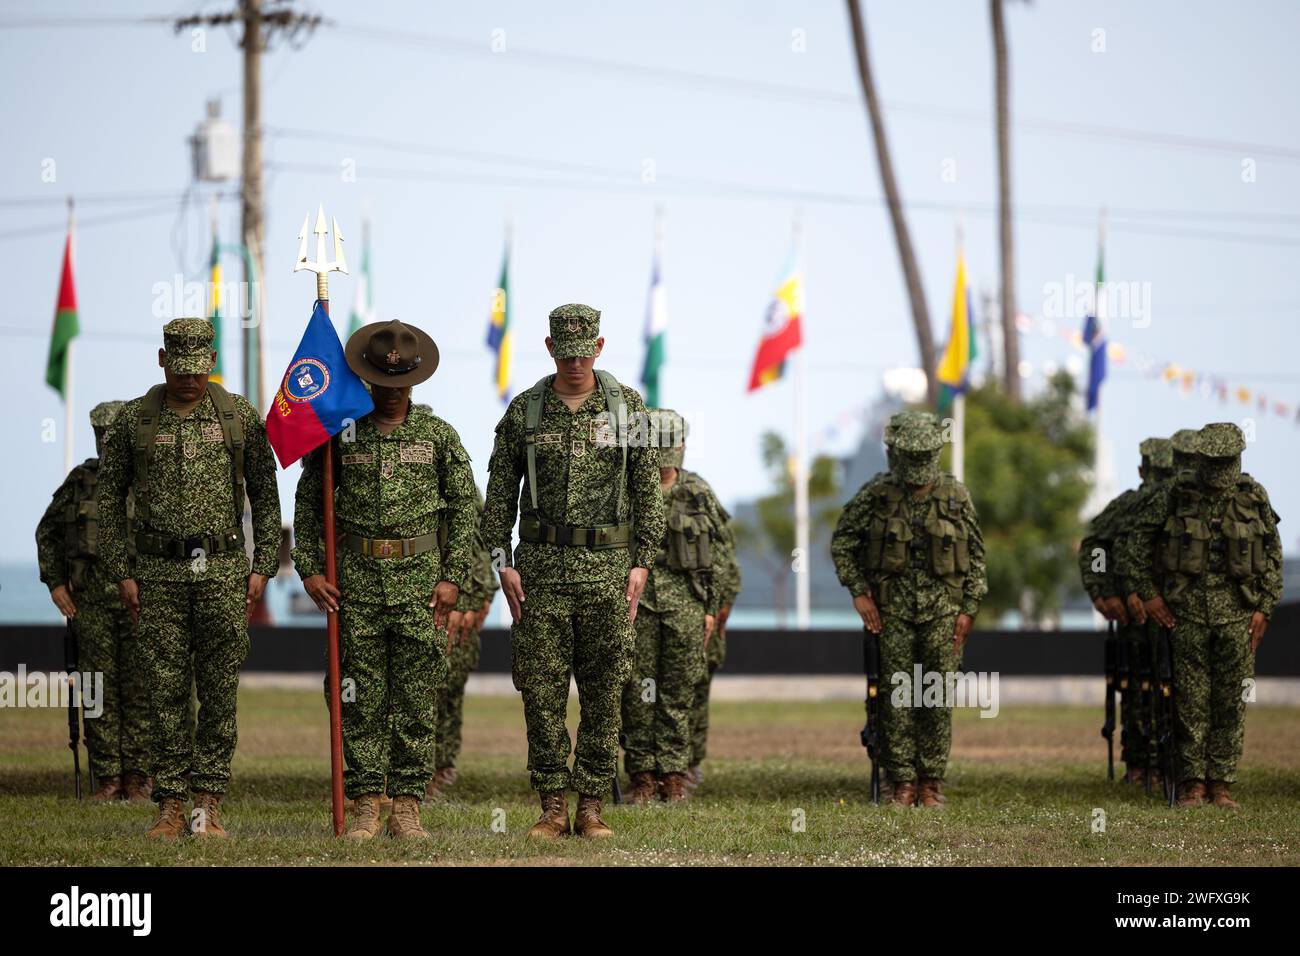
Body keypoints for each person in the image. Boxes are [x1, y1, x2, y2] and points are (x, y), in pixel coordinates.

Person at [482, 303, 664, 838]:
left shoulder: (626, 407)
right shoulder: (525, 411)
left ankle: (591, 806)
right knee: (540, 691)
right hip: (540, 571)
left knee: (605, 691)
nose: (576, 364)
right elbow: (498, 500)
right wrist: (502, 564)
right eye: (566, 355)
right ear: (549, 350)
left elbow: (646, 493)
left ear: (600, 348)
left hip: (609, 570)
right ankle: (551, 806)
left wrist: (642, 562)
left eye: (584, 353)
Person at [293, 319, 477, 840]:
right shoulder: (340, 431)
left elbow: (464, 507)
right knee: (358, 695)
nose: (391, 395)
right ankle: (367, 801)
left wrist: (453, 576)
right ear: (367, 378)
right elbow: (309, 504)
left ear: (415, 381)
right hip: (355, 582)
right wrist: (308, 567)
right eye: (382, 384)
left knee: (418, 695)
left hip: (421, 584)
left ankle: (407, 803)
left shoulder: (438, 436)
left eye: (400, 386)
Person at [97, 318, 280, 839]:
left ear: (211, 362)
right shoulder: (135, 419)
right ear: (162, 360)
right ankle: (171, 804)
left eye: (199, 371)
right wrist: (122, 571)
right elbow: (109, 504)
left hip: (222, 571)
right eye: (180, 370)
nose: (190, 381)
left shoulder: (237, 416)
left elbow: (266, 497)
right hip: (157, 573)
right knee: (166, 689)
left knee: (220, 690)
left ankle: (208, 802)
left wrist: (263, 564)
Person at [830, 410, 987, 808]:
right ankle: (900, 781)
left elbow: (977, 558)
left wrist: (969, 607)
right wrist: (859, 593)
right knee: (897, 696)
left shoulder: (955, 495)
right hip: (892, 613)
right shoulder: (877, 494)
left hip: (942, 613)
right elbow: (843, 543)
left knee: (935, 696)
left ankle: (930, 782)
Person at [1122, 423, 1282, 808]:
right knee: (1190, 703)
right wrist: (1149, 595)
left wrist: (1264, 607)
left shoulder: (1253, 496)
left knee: (1231, 702)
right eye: (1213, 463)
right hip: (1187, 615)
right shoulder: (1177, 494)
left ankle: (1221, 785)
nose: (1219, 472)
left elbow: (1273, 557)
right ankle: (1192, 784)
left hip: (1239, 616)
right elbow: (1135, 543)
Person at [36, 400, 151, 802]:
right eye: (101, 435)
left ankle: (138, 777)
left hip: (141, 598)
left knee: (140, 688)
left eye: (114, 434)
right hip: (91, 604)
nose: (107, 442)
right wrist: (55, 584)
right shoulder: (81, 481)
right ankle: (108, 778)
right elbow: (47, 533)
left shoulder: (150, 478)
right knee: (97, 688)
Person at [621, 409, 730, 803]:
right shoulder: (625, 488)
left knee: (677, 693)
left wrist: (710, 608)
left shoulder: (698, 493)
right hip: (638, 605)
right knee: (638, 692)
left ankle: (673, 775)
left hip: (685, 605)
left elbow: (719, 555)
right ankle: (643, 776)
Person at [1078, 437, 1173, 786]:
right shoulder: (1130, 504)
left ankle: (1172, 765)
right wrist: (1105, 591)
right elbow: (1095, 547)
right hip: (1137, 615)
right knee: (1139, 684)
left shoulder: (1187, 503)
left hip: (1178, 612)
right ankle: (1139, 762)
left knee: (1169, 687)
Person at [428, 484, 498, 797]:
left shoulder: (450, 463)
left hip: (457, 594)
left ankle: (440, 766)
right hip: (407, 586)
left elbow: (478, 537)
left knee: (447, 687)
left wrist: (480, 592)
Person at [687, 480, 741, 789]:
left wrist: (723, 604)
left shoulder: (699, 495)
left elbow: (728, 567)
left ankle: (690, 761)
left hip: (700, 613)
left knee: (696, 688)